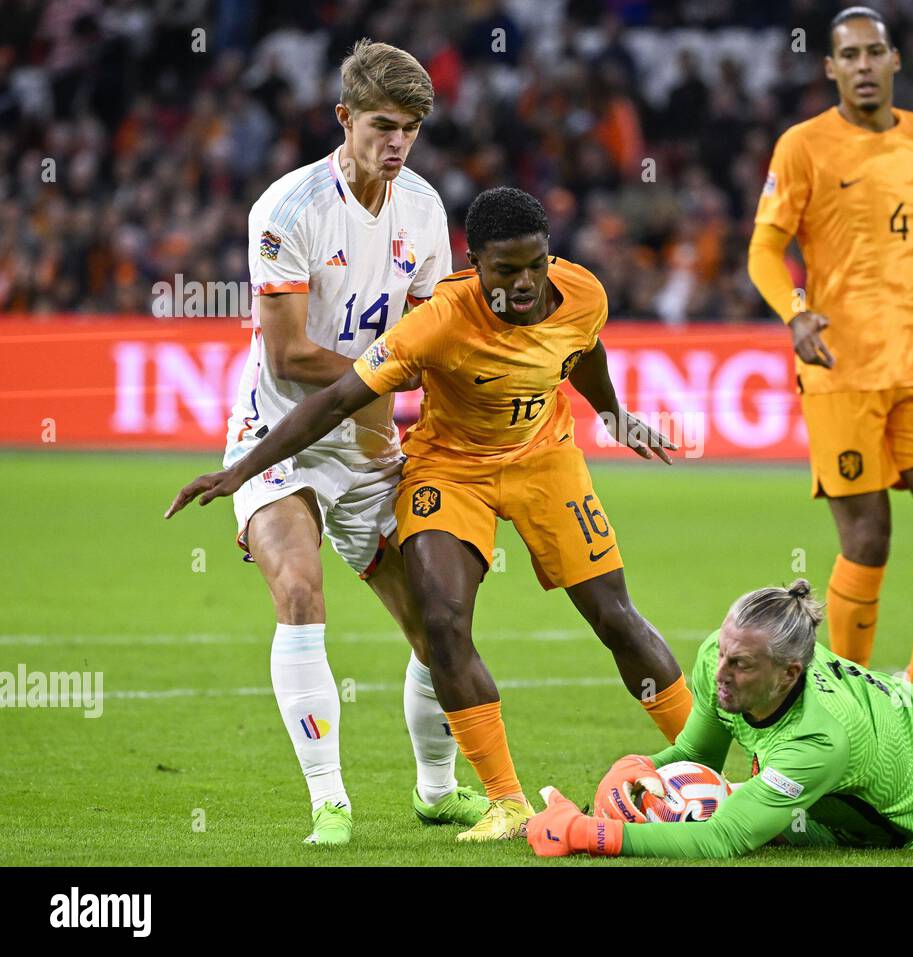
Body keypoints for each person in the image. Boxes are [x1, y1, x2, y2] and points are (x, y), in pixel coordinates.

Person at [166, 187, 695, 842]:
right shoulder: (439, 319)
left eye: (536, 264)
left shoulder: (582, 291)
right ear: (474, 263)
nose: (524, 284)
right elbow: (335, 400)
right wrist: (241, 468)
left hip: (546, 461)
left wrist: (613, 413)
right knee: (441, 618)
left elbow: (584, 350)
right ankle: (507, 802)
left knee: (615, 614)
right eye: (505, 271)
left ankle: (707, 765)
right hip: (451, 470)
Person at [164, 39, 487, 846]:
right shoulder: (287, 208)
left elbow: (431, 335)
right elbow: (289, 355)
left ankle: (438, 791)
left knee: (439, 623)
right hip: (279, 433)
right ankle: (329, 801)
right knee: (300, 592)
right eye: (383, 124)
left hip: (368, 444)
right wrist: (391, 378)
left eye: (412, 127)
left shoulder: (425, 210)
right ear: (343, 118)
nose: (398, 143)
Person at [746, 6, 913, 738]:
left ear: (896, 60)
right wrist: (795, 311)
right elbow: (764, 251)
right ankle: (854, 698)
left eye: (875, 52)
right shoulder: (803, 147)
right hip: (840, 370)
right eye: (849, 55)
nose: (863, 65)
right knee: (867, 538)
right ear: (829, 68)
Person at [526, 581, 913, 859]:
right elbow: (696, 755)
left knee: (756, 814)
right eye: (724, 652)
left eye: (742, 664)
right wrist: (632, 771)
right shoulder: (718, 657)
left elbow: (726, 839)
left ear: (788, 672)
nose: (721, 671)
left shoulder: (815, 741)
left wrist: (591, 834)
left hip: (895, 811)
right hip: (906, 714)